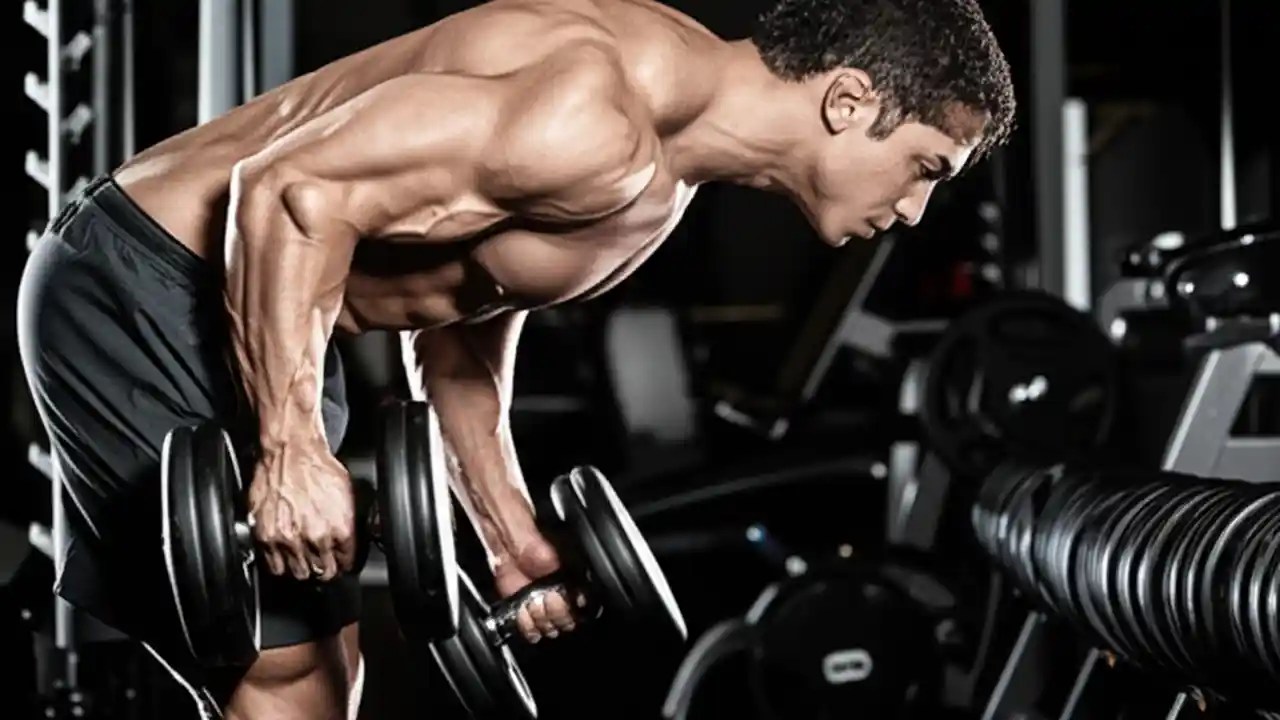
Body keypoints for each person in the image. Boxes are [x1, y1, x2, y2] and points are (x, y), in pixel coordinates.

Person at [16, 0, 1015, 717]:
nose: (913, 210)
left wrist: (506, 535)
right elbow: (290, 194)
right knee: (292, 688)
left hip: (266, 300)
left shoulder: (658, 185)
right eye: (923, 166)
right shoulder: (592, 114)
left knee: (315, 677)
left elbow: (455, 329)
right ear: (845, 102)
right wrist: (288, 448)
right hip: (158, 272)